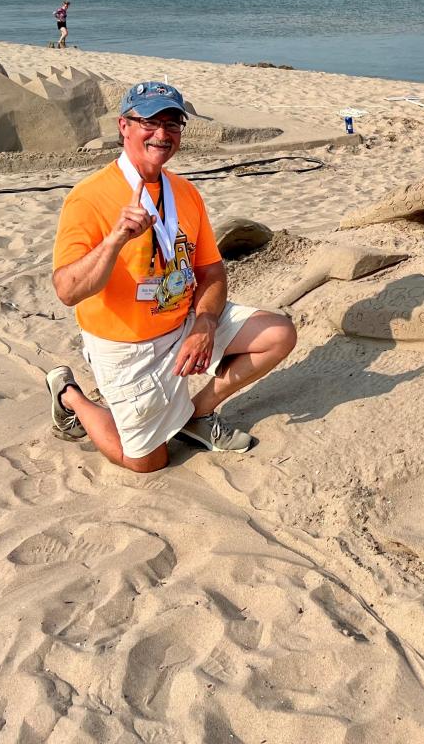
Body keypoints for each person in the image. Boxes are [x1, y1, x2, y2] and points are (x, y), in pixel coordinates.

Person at [46, 80, 297, 473]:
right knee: (148, 463)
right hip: (128, 344)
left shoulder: (185, 193)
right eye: (149, 122)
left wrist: (205, 322)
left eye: (172, 123)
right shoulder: (89, 197)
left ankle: (196, 416)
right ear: (123, 126)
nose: (162, 134)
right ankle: (70, 396)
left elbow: (210, 270)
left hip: (182, 323)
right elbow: (67, 291)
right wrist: (114, 241)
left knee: (279, 334)